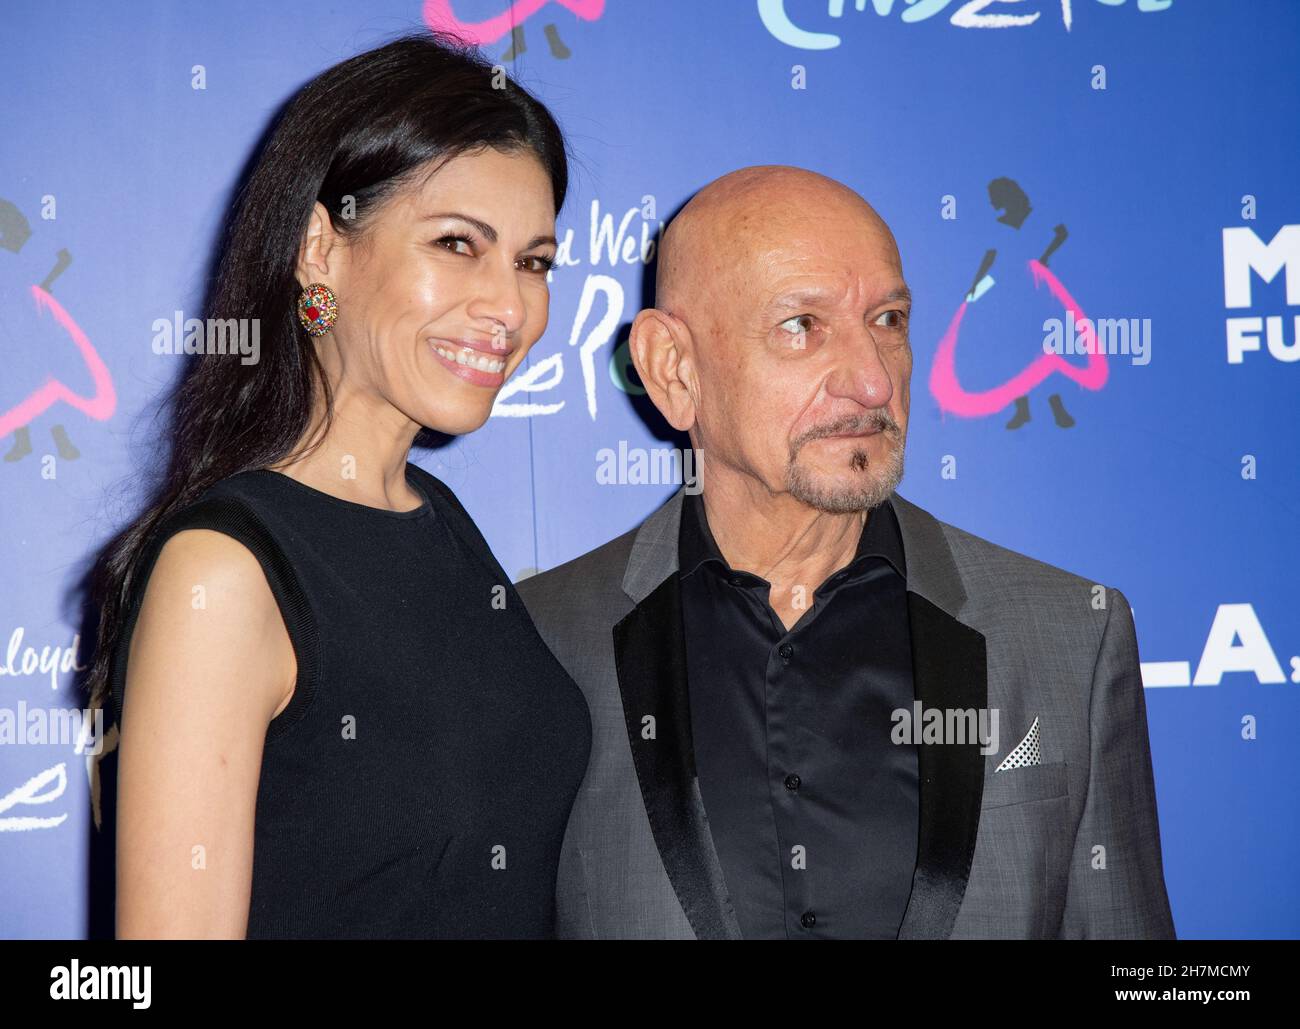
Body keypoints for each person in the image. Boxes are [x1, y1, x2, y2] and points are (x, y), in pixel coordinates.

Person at [516, 165, 1175, 940]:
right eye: (802, 326)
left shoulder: (1071, 637)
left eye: (889, 320)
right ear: (674, 368)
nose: (872, 380)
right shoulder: (535, 644)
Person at [89, 33, 591, 939]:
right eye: (457, 244)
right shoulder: (225, 570)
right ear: (320, 248)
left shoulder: (440, 523)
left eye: (534, 261)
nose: (511, 308)